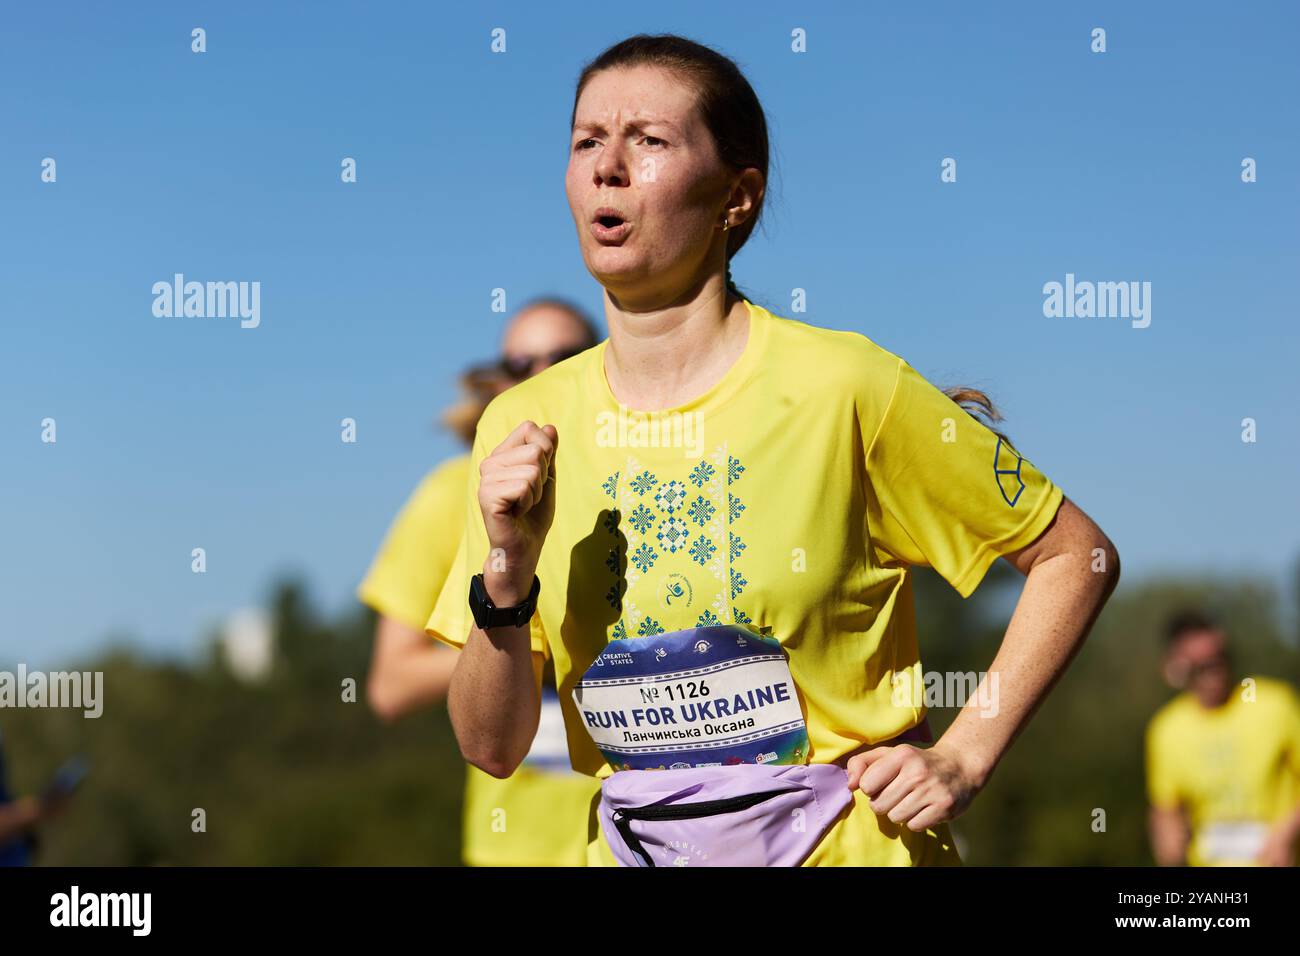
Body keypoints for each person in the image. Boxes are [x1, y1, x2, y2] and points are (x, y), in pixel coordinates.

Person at [425, 33, 1120, 866]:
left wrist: (967, 752)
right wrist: (505, 577)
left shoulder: (847, 384)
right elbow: (490, 747)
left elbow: (1075, 556)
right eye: (586, 142)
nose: (608, 166)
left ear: (737, 197)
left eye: (648, 140)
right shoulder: (523, 421)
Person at [359, 298, 601, 866]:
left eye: (565, 358)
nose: (542, 376)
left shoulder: (640, 480)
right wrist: (526, 641)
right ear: (502, 381)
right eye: (521, 364)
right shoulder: (451, 494)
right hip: (515, 853)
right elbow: (390, 685)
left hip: (647, 844)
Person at [1146, 610, 1300, 866]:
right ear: (1175, 668)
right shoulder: (1166, 729)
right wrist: (1166, 835)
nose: (1213, 672)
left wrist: (1286, 835)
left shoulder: (1275, 704)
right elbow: (1166, 807)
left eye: (1218, 660)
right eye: (1201, 666)